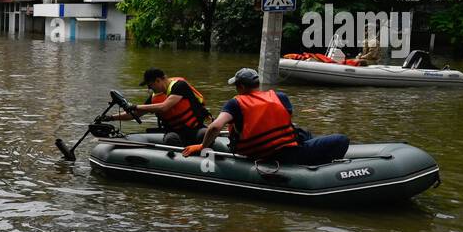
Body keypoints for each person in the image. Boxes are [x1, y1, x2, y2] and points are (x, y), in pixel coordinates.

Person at [183, 68, 349, 165]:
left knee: (304, 133)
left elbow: (215, 127)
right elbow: (285, 119)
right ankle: (319, 162)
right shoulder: (280, 97)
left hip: (258, 152)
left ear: (240, 87)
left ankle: (313, 161)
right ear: (257, 84)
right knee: (341, 140)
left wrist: (202, 146)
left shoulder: (234, 103)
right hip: (285, 151)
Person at [104, 68, 209, 145]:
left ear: (158, 80)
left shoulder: (180, 86)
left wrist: (135, 106)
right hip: (176, 132)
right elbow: (134, 115)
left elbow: (164, 107)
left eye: (150, 85)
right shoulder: (155, 97)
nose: (149, 89)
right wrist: (110, 118)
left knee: (205, 134)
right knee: (170, 139)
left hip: (195, 129)